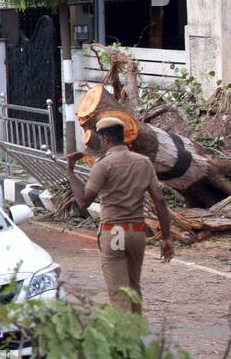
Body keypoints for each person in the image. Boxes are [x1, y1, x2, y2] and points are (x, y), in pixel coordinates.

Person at [65, 116, 174, 313]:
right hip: (137, 233)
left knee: (119, 294)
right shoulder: (144, 163)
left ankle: (124, 340)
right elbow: (160, 200)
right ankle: (135, 336)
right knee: (134, 290)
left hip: (114, 232)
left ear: (106, 139)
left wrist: (71, 172)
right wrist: (166, 237)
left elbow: (83, 201)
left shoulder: (103, 165)